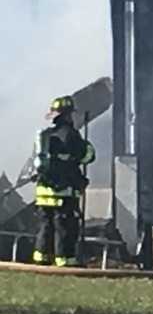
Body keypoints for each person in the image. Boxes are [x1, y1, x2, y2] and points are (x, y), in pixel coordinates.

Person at [31, 95, 94, 267]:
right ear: (68, 115)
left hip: (43, 192)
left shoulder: (46, 137)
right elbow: (87, 156)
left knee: (45, 226)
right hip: (63, 192)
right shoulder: (71, 135)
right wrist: (87, 146)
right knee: (64, 227)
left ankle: (41, 258)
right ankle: (65, 260)